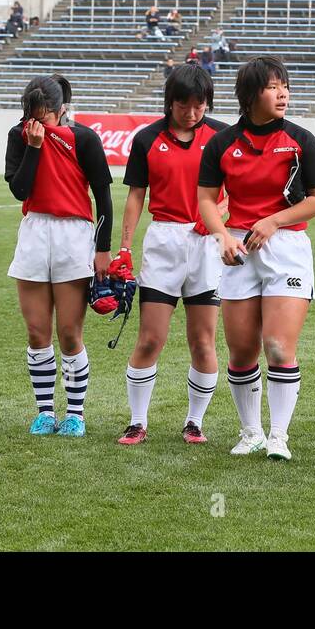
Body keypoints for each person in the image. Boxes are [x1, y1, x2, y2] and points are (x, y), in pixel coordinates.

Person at [197, 56, 315, 460]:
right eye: (273, 86)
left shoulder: (301, 140)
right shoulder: (223, 143)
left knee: (277, 345)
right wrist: (221, 234)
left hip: (286, 246)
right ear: (251, 94)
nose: (283, 93)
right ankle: (251, 431)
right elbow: (206, 198)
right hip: (238, 249)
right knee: (241, 351)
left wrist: (274, 221)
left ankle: (279, 436)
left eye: (284, 86)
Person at [114, 65, 229, 446]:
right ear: (170, 103)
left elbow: (232, 191)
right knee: (150, 338)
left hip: (206, 243)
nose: (193, 114)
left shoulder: (220, 136)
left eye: (200, 106)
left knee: (203, 341)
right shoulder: (147, 138)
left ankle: (194, 422)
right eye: (184, 106)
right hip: (163, 241)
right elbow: (135, 195)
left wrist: (215, 220)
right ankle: (137, 421)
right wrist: (125, 248)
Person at [4, 75, 113, 438]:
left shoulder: (84, 138)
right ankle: (45, 412)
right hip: (35, 232)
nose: (38, 122)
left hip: (73, 234)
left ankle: (76, 413)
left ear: (60, 108)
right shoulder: (18, 136)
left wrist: (103, 249)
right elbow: (20, 189)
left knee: (69, 332)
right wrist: (34, 147)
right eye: (32, 115)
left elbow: (103, 195)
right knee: (37, 332)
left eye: (45, 115)